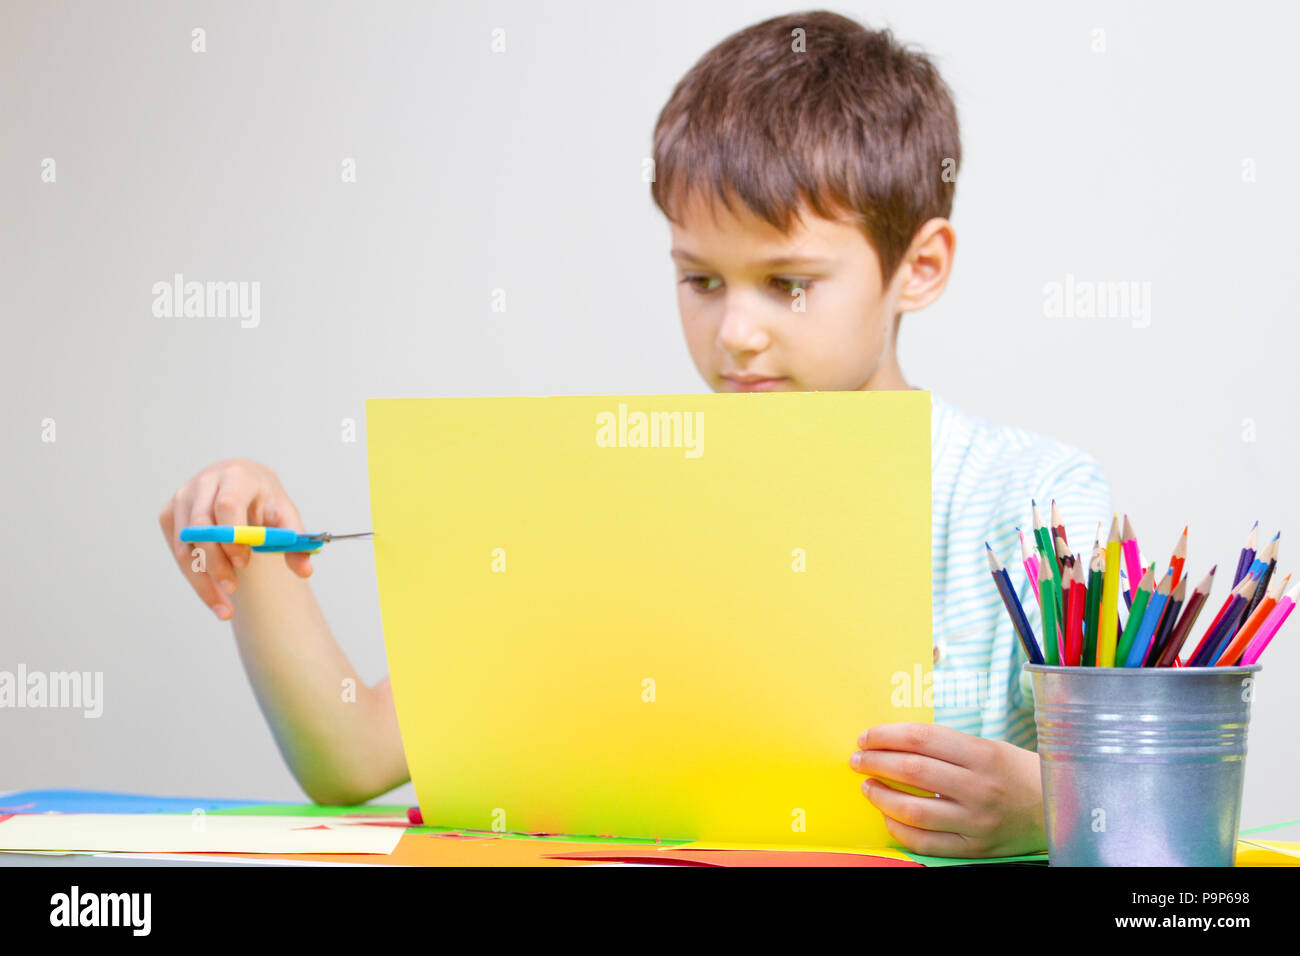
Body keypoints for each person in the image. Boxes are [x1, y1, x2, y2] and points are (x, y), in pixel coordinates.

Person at [159, 10, 1110, 857]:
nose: (735, 330)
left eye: (787, 282)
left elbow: (1157, 816)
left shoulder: (1036, 502)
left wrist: (1049, 809)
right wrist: (253, 548)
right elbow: (354, 755)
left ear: (921, 266)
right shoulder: (615, 498)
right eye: (700, 279)